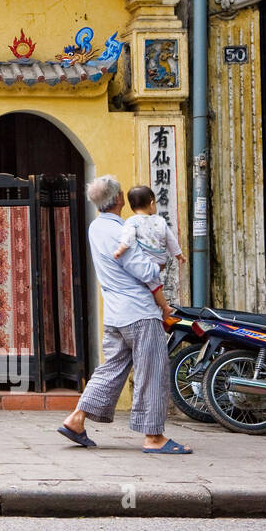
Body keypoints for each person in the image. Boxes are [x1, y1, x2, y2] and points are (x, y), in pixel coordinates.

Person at [57, 175, 192, 454]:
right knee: (152, 370)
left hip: (115, 314)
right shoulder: (122, 230)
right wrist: (159, 269)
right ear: (119, 199)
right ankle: (154, 437)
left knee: (112, 367)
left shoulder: (96, 227)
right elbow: (143, 269)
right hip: (140, 312)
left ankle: (76, 419)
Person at [112, 185, 185, 317]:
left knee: (154, 285)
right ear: (152, 203)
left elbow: (128, 238)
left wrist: (120, 250)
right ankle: (161, 305)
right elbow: (171, 240)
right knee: (155, 282)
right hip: (161, 258)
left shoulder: (132, 222)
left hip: (148, 260)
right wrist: (179, 255)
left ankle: (165, 307)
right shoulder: (160, 221)